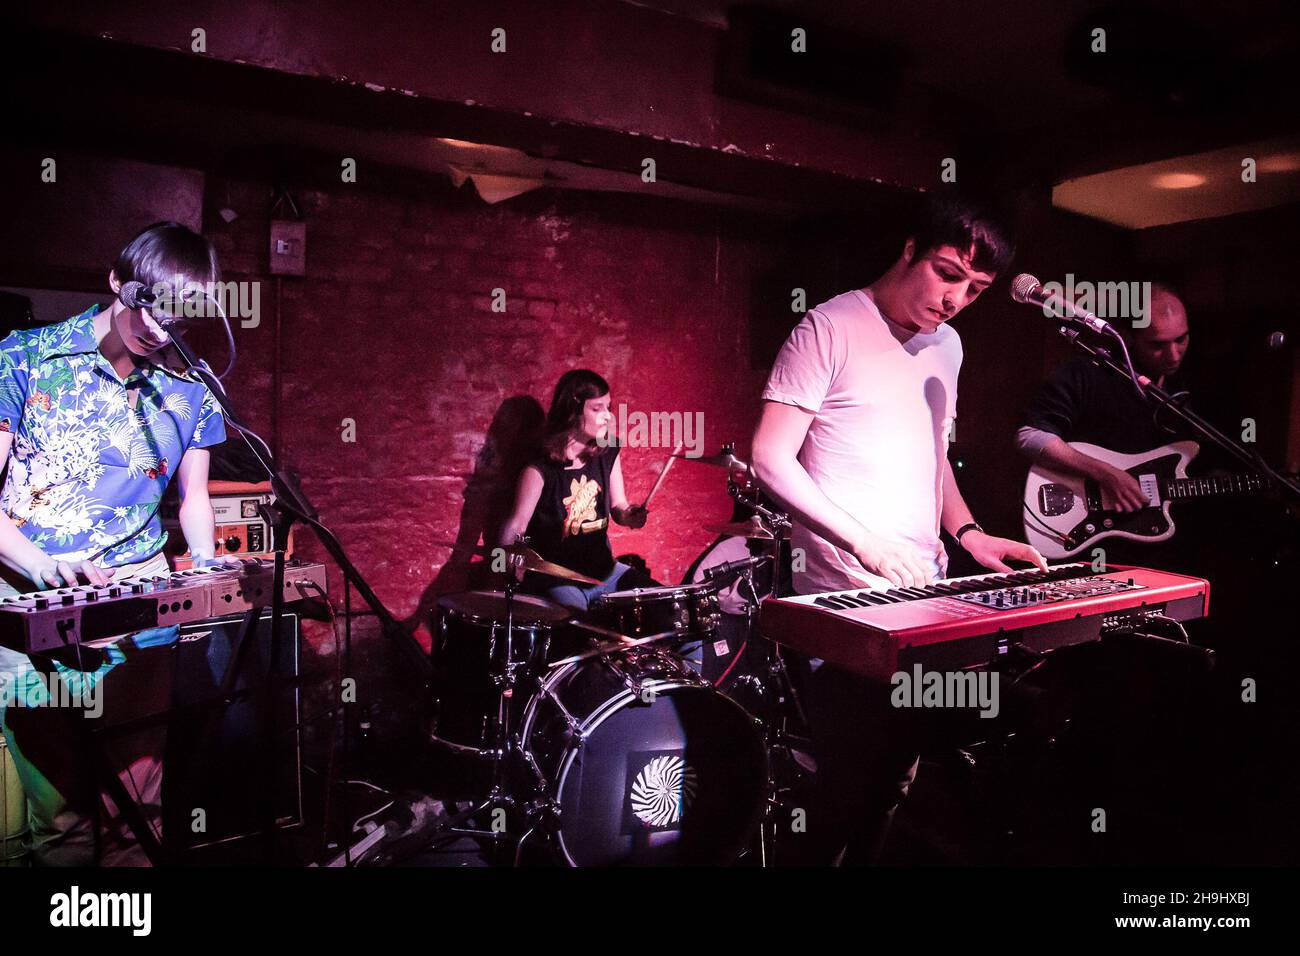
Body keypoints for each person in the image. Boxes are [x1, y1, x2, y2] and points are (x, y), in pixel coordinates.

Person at [750, 193, 1046, 864]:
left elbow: (933, 456)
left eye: (975, 289)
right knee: (842, 790)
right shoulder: (828, 328)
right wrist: (864, 541)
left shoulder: (950, 348)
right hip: (843, 604)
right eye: (947, 273)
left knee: (896, 780)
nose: (955, 299)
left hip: (924, 601)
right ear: (909, 249)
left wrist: (968, 532)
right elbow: (770, 455)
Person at [0, 221, 227, 865]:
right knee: (64, 812)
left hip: (142, 601)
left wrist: (205, 578)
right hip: (32, 597)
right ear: (115, 284)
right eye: (149, 305)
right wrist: (48, 567)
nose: (160, 329)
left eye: (179, 316)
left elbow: (196, 499)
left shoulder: (191, 388)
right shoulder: (25, 359)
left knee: (137, 805)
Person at [1016, 282, 1192, 515]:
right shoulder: (1087, 373)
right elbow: (1030, 435)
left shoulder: (1186, 388)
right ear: (1129, 337)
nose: (1173, 354)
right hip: (1087, 517)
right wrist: (1104, 473)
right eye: (1157, 345)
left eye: (1180, 340)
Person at [499, 369, 649, 611]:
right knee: (579, 631)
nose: (607, 417)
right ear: (573, 409)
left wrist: (632, 515)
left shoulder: (607, 451)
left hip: (605, 571)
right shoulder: (540, 469)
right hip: (558, 578)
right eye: (597, 408)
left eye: (608, 407)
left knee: (674, 612)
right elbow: (517, 525)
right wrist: (507, 564)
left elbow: (619, 507)